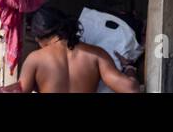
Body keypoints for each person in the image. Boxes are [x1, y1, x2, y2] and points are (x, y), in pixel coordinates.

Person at [13, 6, 142, 93]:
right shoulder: (97, 54)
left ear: (39, 37)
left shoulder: (34, 59)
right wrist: (129, 68)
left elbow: (19, 90)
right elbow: (131, 89)